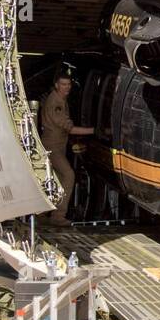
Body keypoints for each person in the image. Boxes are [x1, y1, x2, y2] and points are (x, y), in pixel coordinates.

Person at [41, 71, 95, 224]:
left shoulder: (61, 100)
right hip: (53, 146)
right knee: (68, 175)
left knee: (55, 179)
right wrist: (94, 131)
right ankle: (58, 216)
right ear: (57, 85)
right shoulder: (56, 102)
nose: (67, 87)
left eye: (69, 84)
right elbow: (69, 128)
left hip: (59, 144)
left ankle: (43, 213)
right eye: (63, 84)